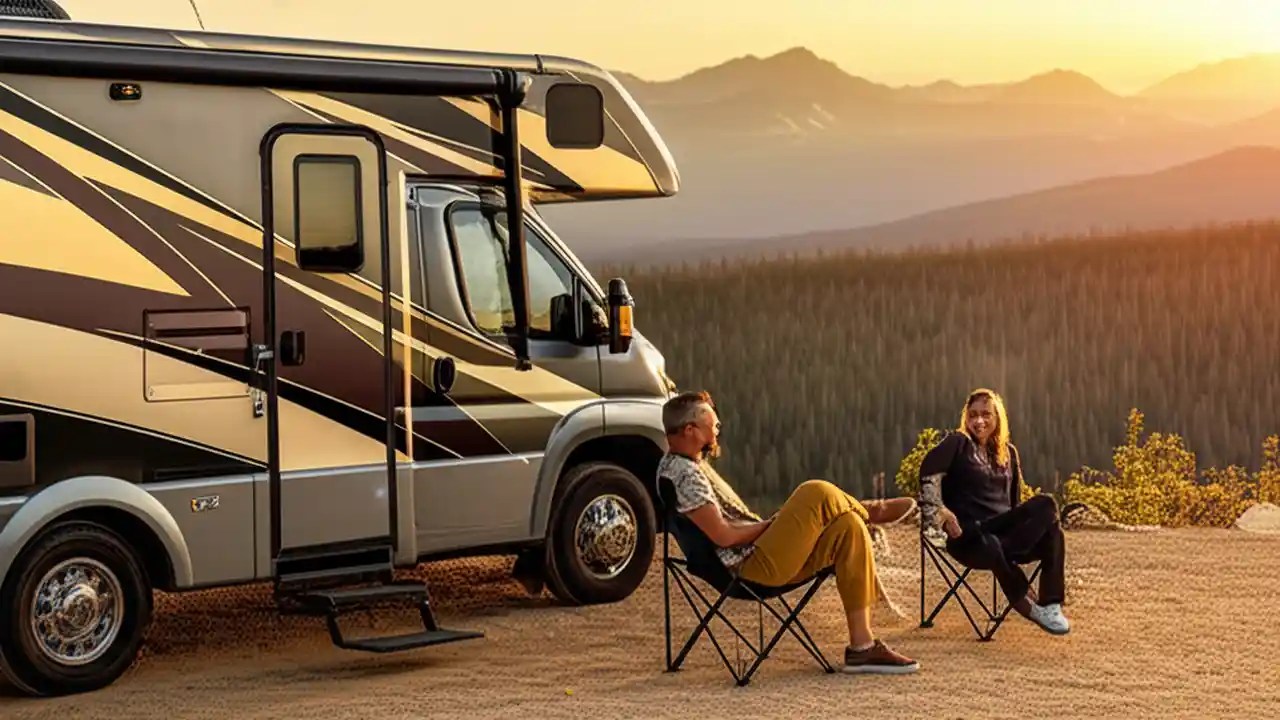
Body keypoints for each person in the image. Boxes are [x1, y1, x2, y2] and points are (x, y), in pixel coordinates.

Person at [658, 390, 919, 675]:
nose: (718, 425)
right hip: (750, 567)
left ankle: (862, 647)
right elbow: (724, 536)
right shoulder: (685, 474)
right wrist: (773, 525)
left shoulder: (680, 465)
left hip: (756, 559)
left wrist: (775, 525)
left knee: (849, 528)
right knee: (814, 491)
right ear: (690, 429)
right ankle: (871, 511)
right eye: (711, 420)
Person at [917, 388, 1070, 635]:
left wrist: (1027, 531)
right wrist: (939, 511)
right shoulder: (958, 443)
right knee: (991, 544)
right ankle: (1029, 607)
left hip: (1004, 536)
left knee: (1049, 515)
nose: (979, 421)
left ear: (997, 418)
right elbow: (928, 471)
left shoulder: (1009, 453)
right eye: (973, 415)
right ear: (966, 418)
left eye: (986, 414)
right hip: (968, 537)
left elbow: (1015, 505)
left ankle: (1051, 604)